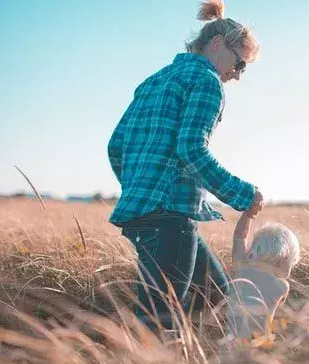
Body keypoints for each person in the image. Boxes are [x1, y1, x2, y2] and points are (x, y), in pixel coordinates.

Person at [107, 0, 263, 330]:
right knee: (158, 325)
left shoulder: (154, 80)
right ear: (219, 45)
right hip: (170, 218)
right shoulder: (208, 82)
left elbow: (116, 146)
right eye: (240, 65)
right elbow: (191, 149)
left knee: (218, 299)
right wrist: (243, 195)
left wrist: (141, 189)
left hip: (144, 214)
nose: (236, 75)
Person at [225, 210, 301, 340]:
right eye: (292, 263)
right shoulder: (281, 287)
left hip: (231, 342)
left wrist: (248, 214)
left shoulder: (241, 266)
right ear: (283, 260)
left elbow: (240, 236)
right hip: (258, 343)